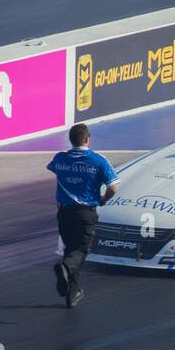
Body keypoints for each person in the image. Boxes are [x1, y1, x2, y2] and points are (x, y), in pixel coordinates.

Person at [48, 122, 119, 309]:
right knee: (79, 252)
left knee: (70, 250)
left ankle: (72, 294)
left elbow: (53, 168)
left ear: (71, 140)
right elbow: (113, 187)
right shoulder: (98, 160)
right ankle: (64, 268)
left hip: (63, 212)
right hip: (85, 213)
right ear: (87, 139)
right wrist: (103, 199)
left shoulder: (60, 158)